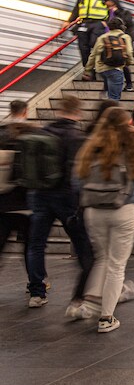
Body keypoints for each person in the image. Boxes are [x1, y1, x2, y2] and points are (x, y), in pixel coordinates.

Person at [73, 107, 134, 333]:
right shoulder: (131, 144)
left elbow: (78, 180)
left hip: (93, 211)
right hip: (123, 209)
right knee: (116, 266)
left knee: (102, 258)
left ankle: (90, 302)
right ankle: (106, 317)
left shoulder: (91, 146)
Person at [25, 96, 93, 311]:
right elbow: (77, 174)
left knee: (36, 244)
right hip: (66, 197)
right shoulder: (76, 136)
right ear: (78, 112)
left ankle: (36, 292)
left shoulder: (41, 132)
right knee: (81, 242)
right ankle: (82, 293)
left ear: (58, 110)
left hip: (40, 194)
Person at [0, 102, 36, 296]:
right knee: (31, 246)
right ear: (26, 111)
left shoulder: (2, 133)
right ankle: (35, 286)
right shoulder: (32, 134)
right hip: (26, 201)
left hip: (3, 200)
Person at [65, 0, 111, 72]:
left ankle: (101, 66)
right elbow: (77, 8)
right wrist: (69, 21)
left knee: (94, 44)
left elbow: (111, 9)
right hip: (84, 23)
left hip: (98, 23)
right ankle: (88, 71)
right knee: (83, 48)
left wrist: (106, 22)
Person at [85, 16, 133, 101]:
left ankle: (105, 96)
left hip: (102, 70)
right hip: (116, 69)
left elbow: (93, 54)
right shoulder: (125, 37)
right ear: (122, 27)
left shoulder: (102, 37)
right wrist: (128, 63)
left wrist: (88, 70)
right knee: (114, 98)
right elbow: (129, 52)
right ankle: (110, 110)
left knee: (109, 87)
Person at [102, 0, 134, 92]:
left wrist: (116, 12)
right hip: (109, 42)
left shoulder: (124, 13)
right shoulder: (108, 14)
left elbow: (127, 22)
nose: (109, 7)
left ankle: (129, 84)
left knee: (123, 64)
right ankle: (107, 86)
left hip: (121, 42)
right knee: (107, 64)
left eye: (110, 4)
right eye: (107, 6)